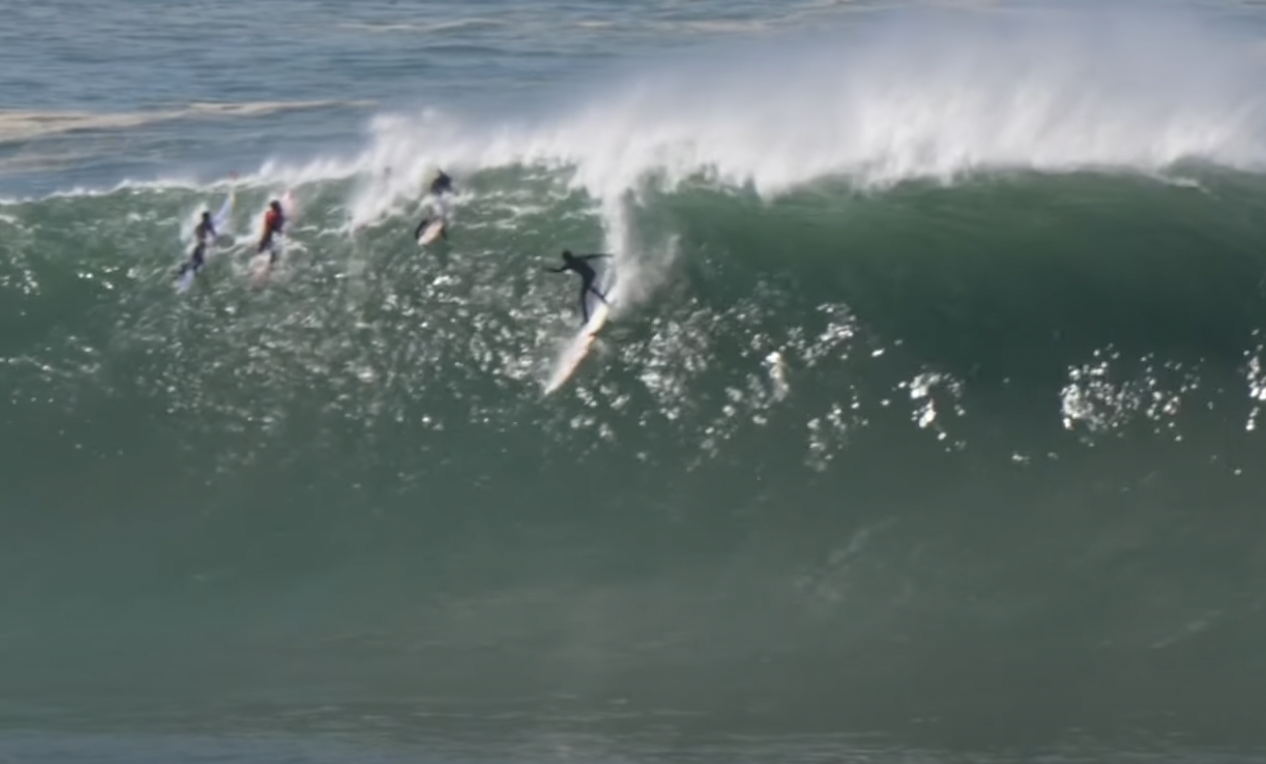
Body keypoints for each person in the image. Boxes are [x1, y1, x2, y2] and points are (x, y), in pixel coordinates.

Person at [545, 250, 611, 323]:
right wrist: (548, 270)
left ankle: (586, 319)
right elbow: (558, 270)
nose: (567, 260)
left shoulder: (575, 260)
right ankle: (604, 301)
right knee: (590, 290)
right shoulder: (570, 263)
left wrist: (606, 255)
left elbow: (592, 256)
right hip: (588, 276)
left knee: (583, 297)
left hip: (589, 275)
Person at [177, 210, 217, 278]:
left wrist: (204, 241)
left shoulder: (199, 226)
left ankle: (183, 272)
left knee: (194, 262)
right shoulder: (207, 225)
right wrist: (209, 242)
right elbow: (213, 233)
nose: (209, 219)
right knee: (198, 262)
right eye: (209, 218)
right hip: (200, 248)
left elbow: (197, 234)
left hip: (197, 247)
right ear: (207, 218)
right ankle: (187, 272)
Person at [414, 170, 453, 240]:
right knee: (437, 214)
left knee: (436, 214)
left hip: (438, 188)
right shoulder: (438, 212)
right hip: (438, 189)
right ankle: (440, 174)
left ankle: (440, 174)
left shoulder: (438, 212)